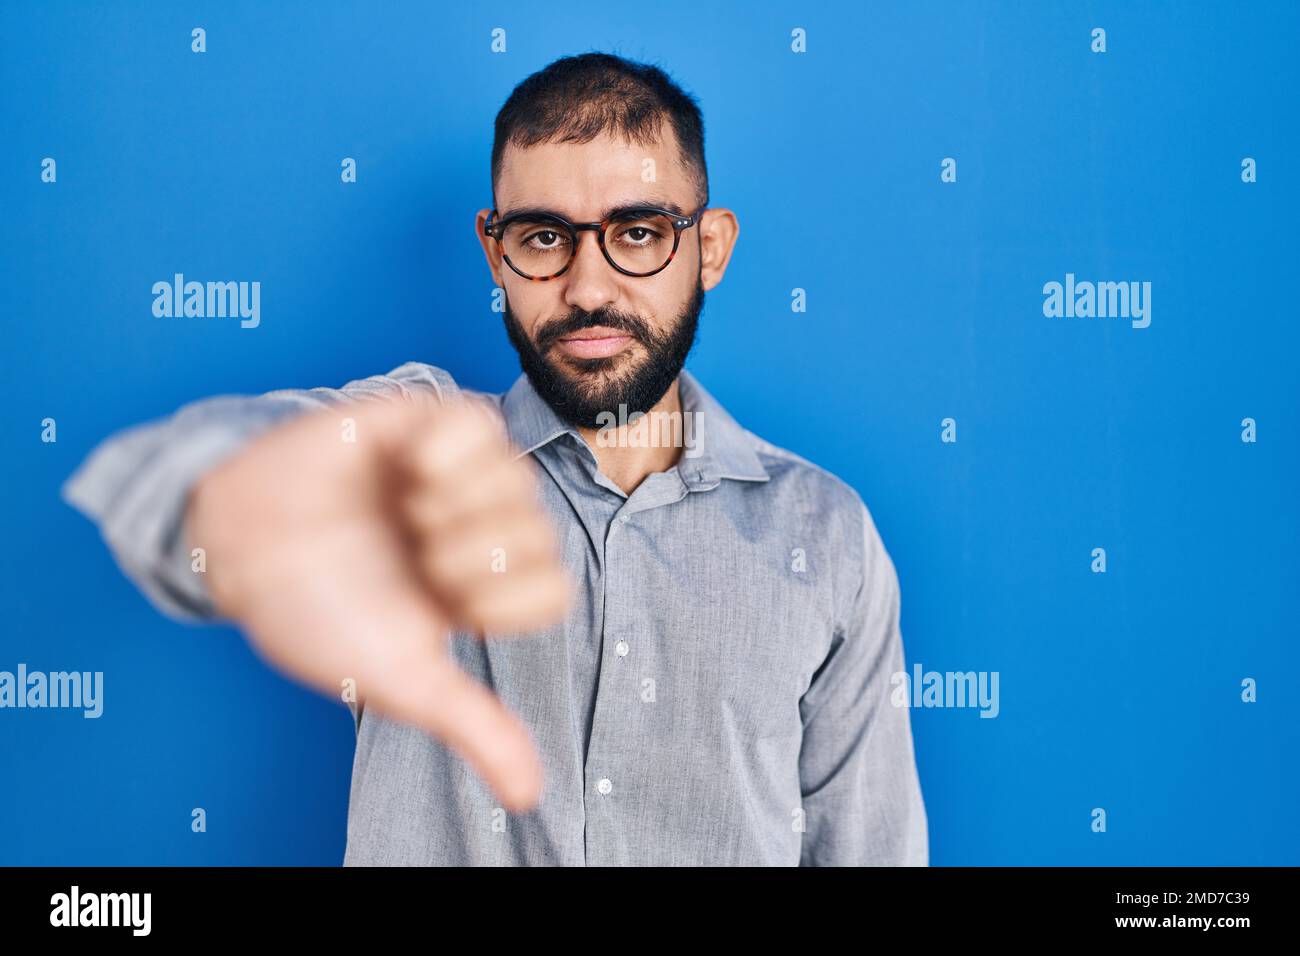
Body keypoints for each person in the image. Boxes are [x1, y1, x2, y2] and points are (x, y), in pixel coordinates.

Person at [64, 52, 928, 866]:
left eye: (636, 232)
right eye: (545, 237)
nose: (589, 289)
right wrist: (238, 498)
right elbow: (167, 491)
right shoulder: (416, 455)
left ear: (708, 248)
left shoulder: (827, 536)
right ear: (495, 250)